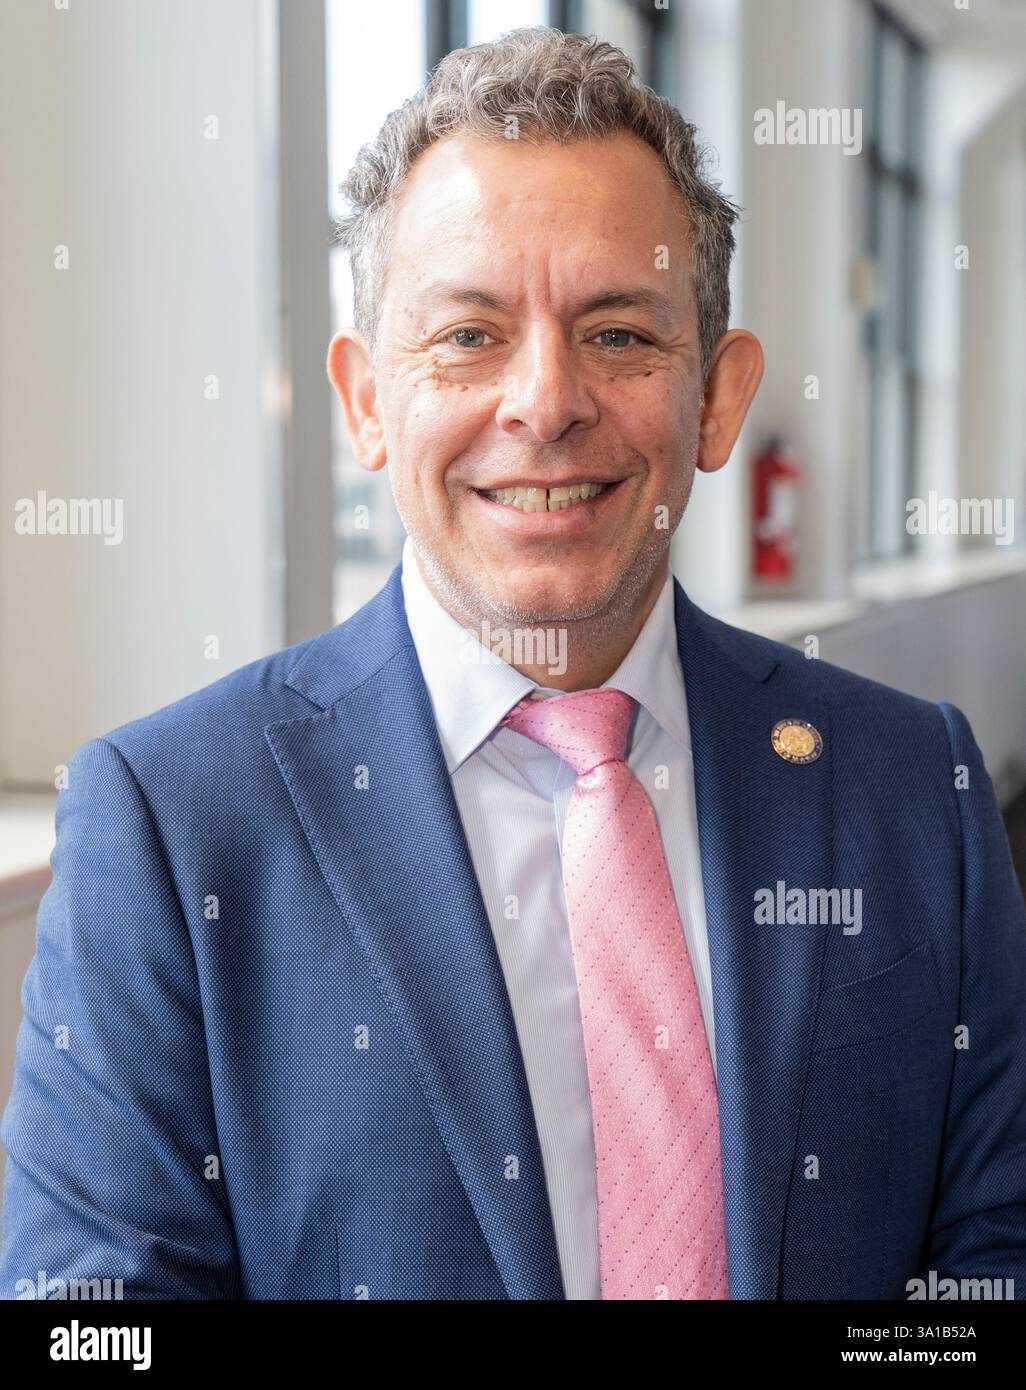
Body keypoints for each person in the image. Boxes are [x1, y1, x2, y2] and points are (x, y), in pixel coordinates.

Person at [3, 26, 1025, 1302]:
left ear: (717, 395)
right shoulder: (167, 826)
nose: (546, 403)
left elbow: (993, 1255)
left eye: (618, 335)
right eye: (470, 335)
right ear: (369, 400)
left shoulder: (909, 782)